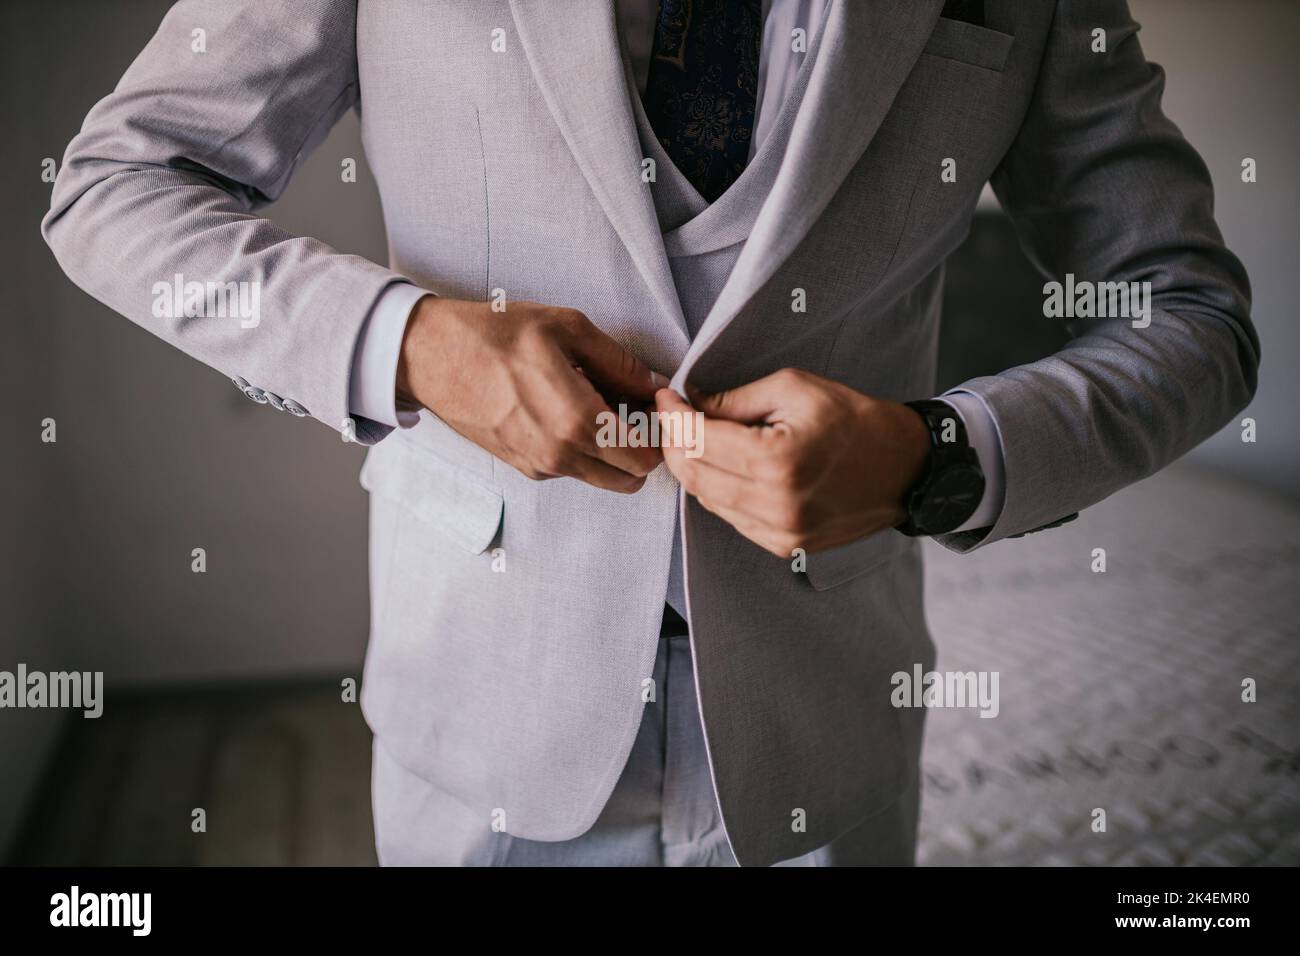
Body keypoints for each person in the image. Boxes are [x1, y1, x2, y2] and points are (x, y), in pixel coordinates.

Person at [43, 0, 1258, 866]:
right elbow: (114, 187)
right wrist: (412, 342)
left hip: (820, 729)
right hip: (483, 711)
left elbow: (1194, 314)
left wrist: (935, 457)